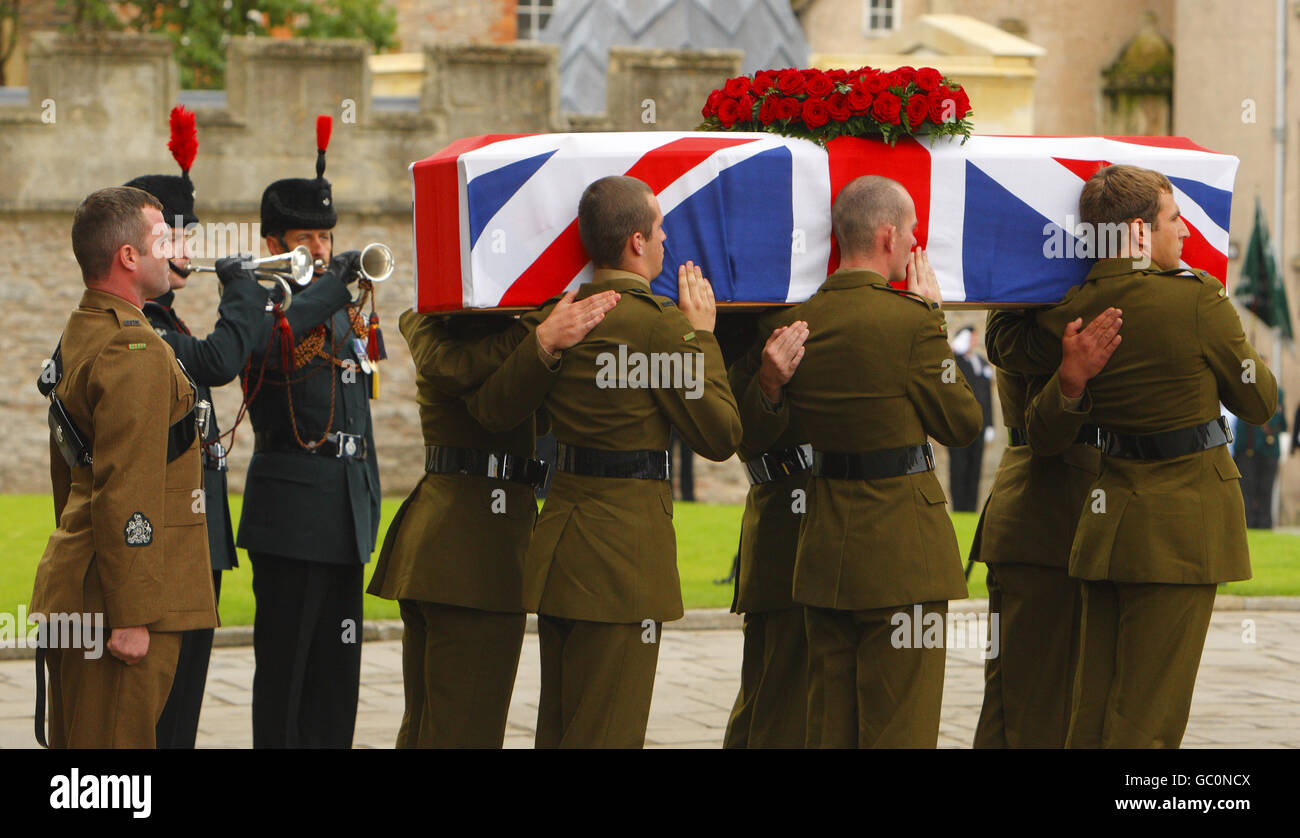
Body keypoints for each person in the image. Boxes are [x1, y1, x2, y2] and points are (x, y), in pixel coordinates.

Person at [985, 163, 1277, 747]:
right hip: (1181, 532)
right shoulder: (1198, 299)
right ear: (1141, 233)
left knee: (1090, 714)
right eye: (1175, 220)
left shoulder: (1067, 312)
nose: (1186, 233)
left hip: (1104, 530)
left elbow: (1008, 352)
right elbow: (1260, 400)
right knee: (1149, 719)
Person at [462, 174, 743, 748]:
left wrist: (542, 343)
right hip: (625, 560)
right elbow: (721, 434)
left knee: (561, 728)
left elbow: (493, 412)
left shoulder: (557, 317)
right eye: (659, 227)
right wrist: (704, 337)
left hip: (563, 549)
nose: (667, 239)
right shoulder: (660, 324)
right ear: (637, 242)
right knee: (608, 730)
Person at [740, 175, 983, 748]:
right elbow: (963, 424)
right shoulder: (911, 321)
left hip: (825, 549)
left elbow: (753, 430)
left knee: (831, 728)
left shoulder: (795, 322)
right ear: (886, 235)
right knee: (900, 726)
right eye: (913, 232)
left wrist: (769, 387)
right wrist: (933, 323)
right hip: (904, 551)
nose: (916, 242)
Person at [368, 289, 618, 748]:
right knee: (464, 730)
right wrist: (538, 333)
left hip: (439, 550)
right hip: (475, 559)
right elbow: (462, 371)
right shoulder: (449, 333)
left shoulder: (450, 331)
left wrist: (537, 339)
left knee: (428, 726)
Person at [32, 186, 217, 748]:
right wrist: (131, 616)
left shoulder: (86, 328)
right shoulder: (132, 348)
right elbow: (126, 487)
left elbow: (71, 476)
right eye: (162, 239)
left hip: (86, 582)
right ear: (128, 257)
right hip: (121, 605)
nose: (174, 251)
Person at [126, 105, 269, 749]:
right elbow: (218, 361)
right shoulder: (145, 331)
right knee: (160, 718)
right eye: (176, 240)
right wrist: (241, 292)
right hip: (166, 551)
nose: (188, 253)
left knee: (184, 714)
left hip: (199, 542)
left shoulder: (170, 322)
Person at [237, 116, 380, 748]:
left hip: (344, 514)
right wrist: (329, 286)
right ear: (274, 239)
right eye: (306, 237)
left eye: (327, 236)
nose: (321, 249)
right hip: (292, 518)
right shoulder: (255, 297)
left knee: (336, 686)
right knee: (286, 684)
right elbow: (273, 348)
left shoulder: (334, 303)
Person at [969, 308, 1120, 748]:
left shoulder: (1027, 302)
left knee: (1013, 704)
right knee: (1039, 711)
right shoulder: (1045, 307)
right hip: (1051, 516)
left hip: (1035, 514)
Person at [722, 317, 812, 749]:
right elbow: (740, 436)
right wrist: (768, 384)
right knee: (772, 704)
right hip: (785, 529)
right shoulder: (747, 331)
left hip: (856, 534)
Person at [947, 325, 994, 511]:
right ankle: (959, 507)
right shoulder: (954, 361)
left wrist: (990, 424)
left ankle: (971, 507)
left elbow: (987, 397)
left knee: (975, 467)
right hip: (959, 424)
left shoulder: (981, 363)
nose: (973, 342)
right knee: (959, 466)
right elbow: (948, 380)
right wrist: (952, 353)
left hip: (980, 424)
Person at [1233, 390, 1287, 529]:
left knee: (1266, 490)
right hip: (1247, 450)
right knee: (1247, 491)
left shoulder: (1277, 392)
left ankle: (1264, 524)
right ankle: (1248, 523)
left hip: (1269, 451)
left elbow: (1282, 423)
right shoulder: (1243, 391)